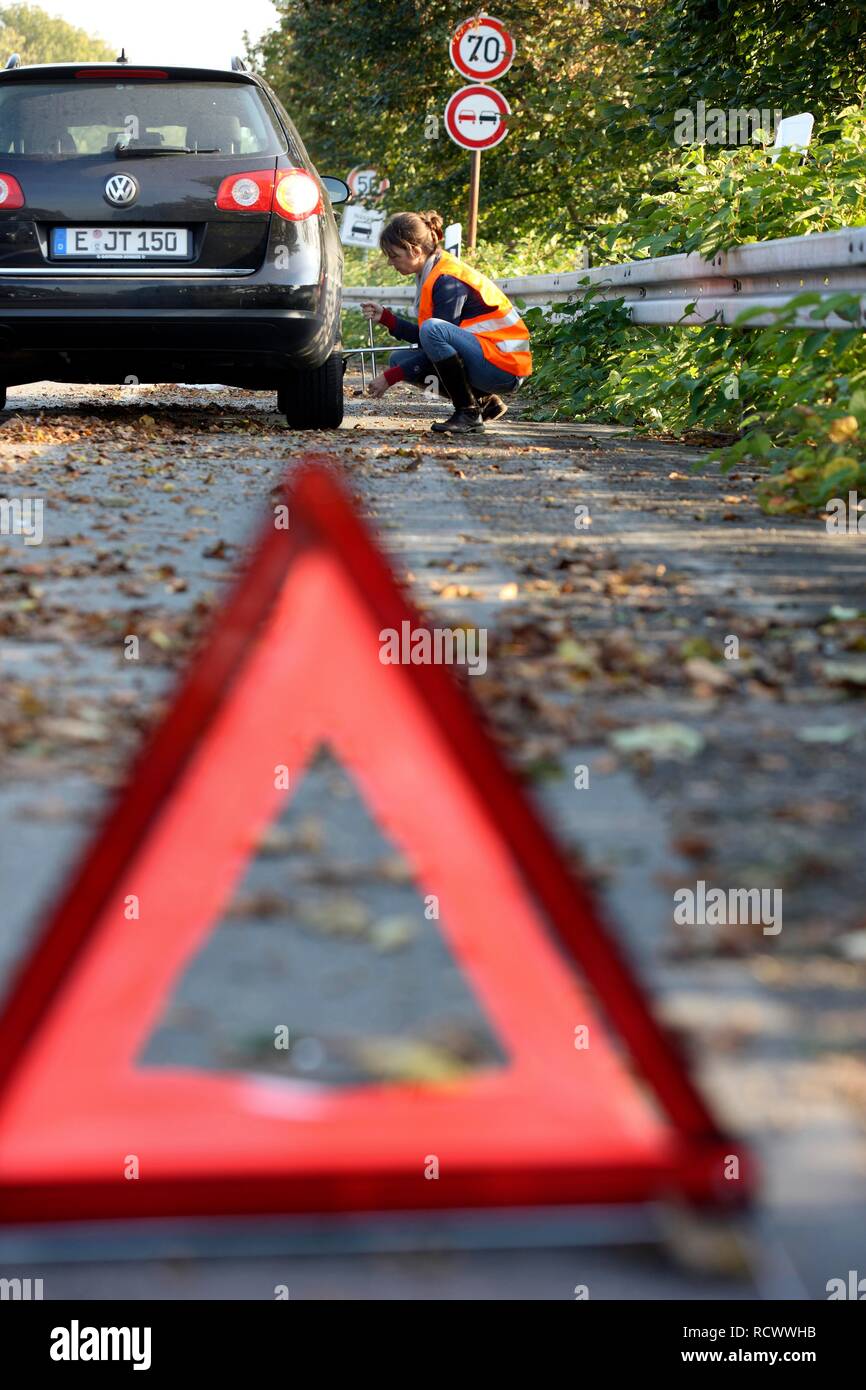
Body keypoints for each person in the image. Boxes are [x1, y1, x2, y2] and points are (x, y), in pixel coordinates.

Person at [362, 210, 532, 434]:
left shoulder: (447, 280)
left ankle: (468, 411)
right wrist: (387, 318)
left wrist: (390, 377)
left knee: (429, 334)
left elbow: (432, 336)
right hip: (489, 358)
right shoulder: (433, 272)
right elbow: (429, 342)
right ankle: (484, 402)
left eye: (394, 255)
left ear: (414, 250)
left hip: (504, 367)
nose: (391, 262)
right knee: (399, 358)